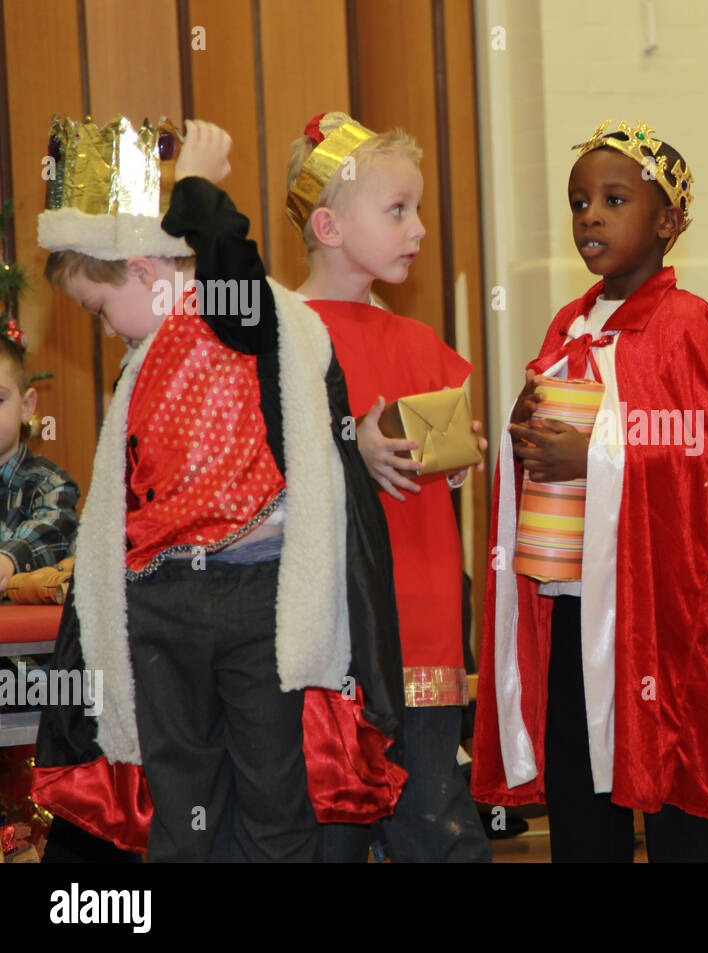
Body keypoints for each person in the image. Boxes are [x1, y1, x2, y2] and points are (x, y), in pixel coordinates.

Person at [32, 117, 405, 861]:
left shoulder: (237, 314)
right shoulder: (139, 369)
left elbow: (234, 260)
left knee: (273, 794)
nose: (105, 332)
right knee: (181, 805)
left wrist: (198, 187)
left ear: (142, 270)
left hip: (256, 601)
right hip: (159, 606)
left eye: (98, 310)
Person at [472, 120, 708, 862]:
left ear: (667, 222)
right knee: (581, 807)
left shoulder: (687, 323)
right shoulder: (567, 324)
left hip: (650, 613)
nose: (589, 215)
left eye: (614, 199)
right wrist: (524, 436)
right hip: (567, 603)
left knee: (672, 793)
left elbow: (701, 457)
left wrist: (595, 455)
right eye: (578, 200)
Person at [284, 111, 491, 863]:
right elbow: (269, 466)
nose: (420, 229)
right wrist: (350, 444)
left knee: (439, 824)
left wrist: (460, 453)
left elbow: (451, 439)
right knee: (331, 829)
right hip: (337, 638)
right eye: (398, 210)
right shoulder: (289, 335)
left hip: (426, 624)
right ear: (332, 226)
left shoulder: (418, 341)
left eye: (419, 209)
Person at [0, 329, 79, 590]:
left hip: (38, 627)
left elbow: (52, 527)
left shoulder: (49, 483)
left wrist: (8, 559)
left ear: (26, 407)